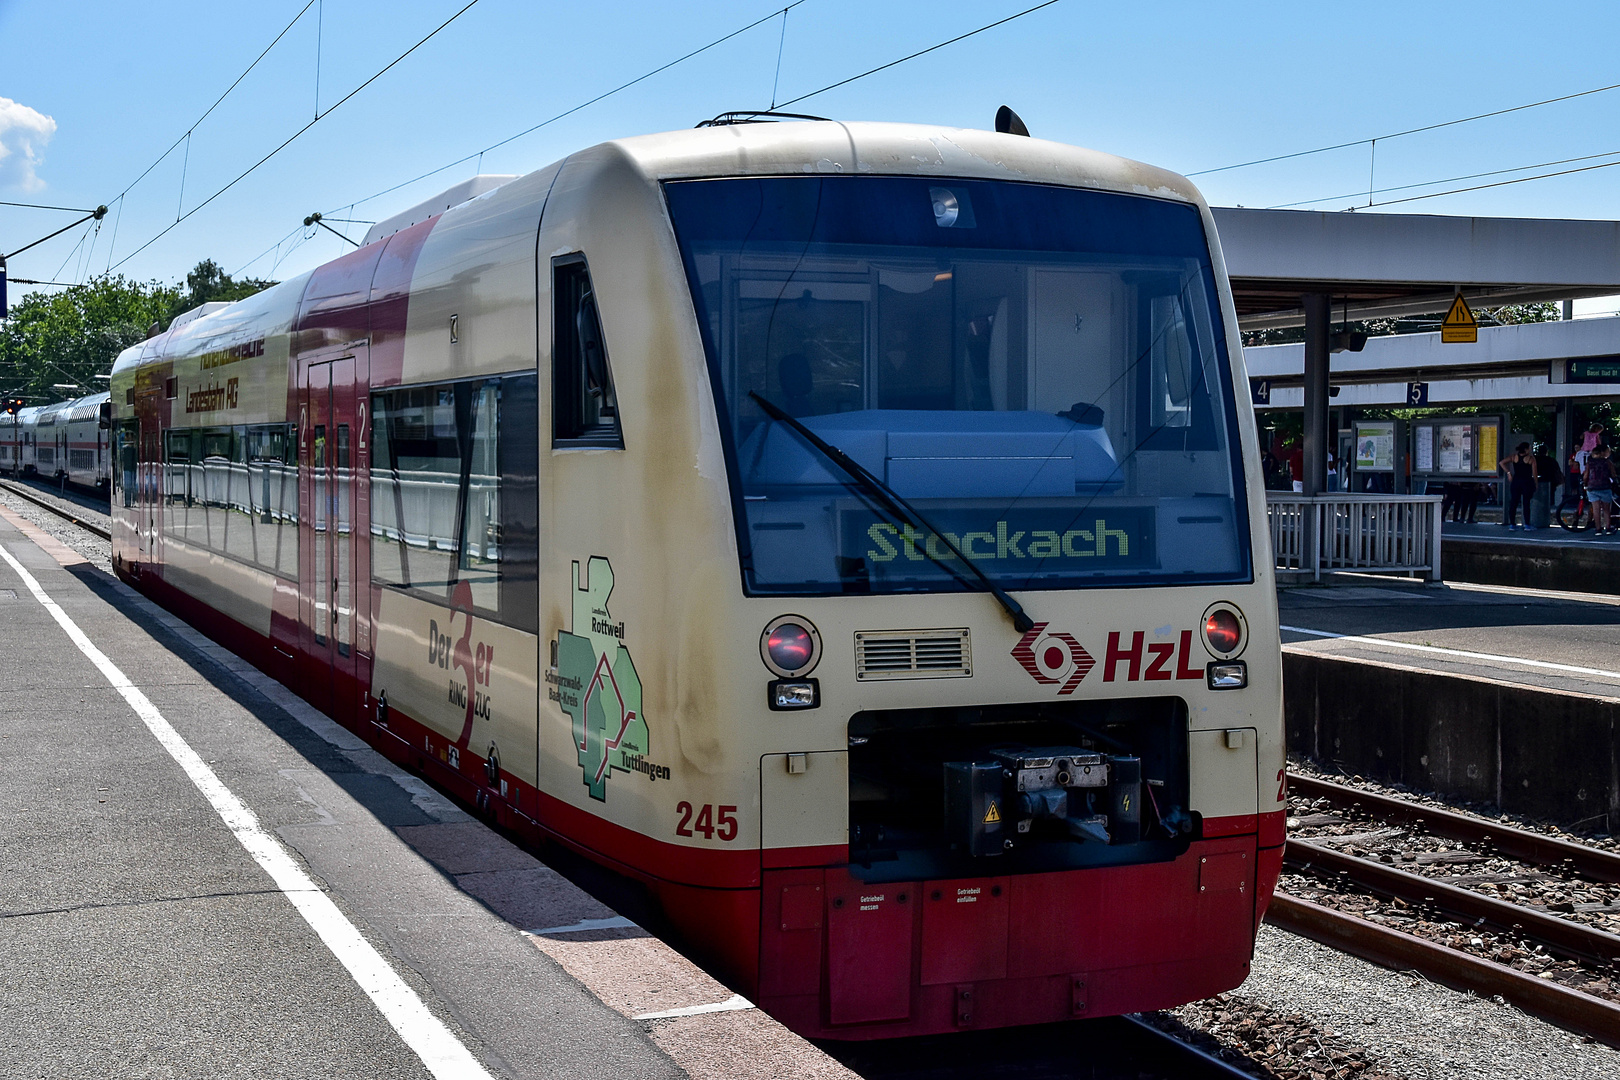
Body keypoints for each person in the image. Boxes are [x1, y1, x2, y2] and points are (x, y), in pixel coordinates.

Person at [1499, 442, 1539, 530]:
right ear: (1526, 449)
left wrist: (1508, 473)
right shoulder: (1531, 459)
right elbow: (1534, 473)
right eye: (1529, 448)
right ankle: (1527, 524)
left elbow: (1501, 463)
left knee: (1514, 502)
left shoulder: (1514, 457)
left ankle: (1512, 524)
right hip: (1527, 482)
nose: (1530, 450)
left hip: (1516, 481)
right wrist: (1536, 483)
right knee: (1526, 503)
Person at [1585, 444, 1615, 535]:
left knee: (1596, 509)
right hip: (1605, 487)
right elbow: (1613, 474)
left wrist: (1585, 484)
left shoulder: (1589, 463)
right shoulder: (1608, 462)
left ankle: (1598, 529)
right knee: (1606, 509)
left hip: (1592, 487)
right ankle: (1608, 528)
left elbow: (1586, 476)